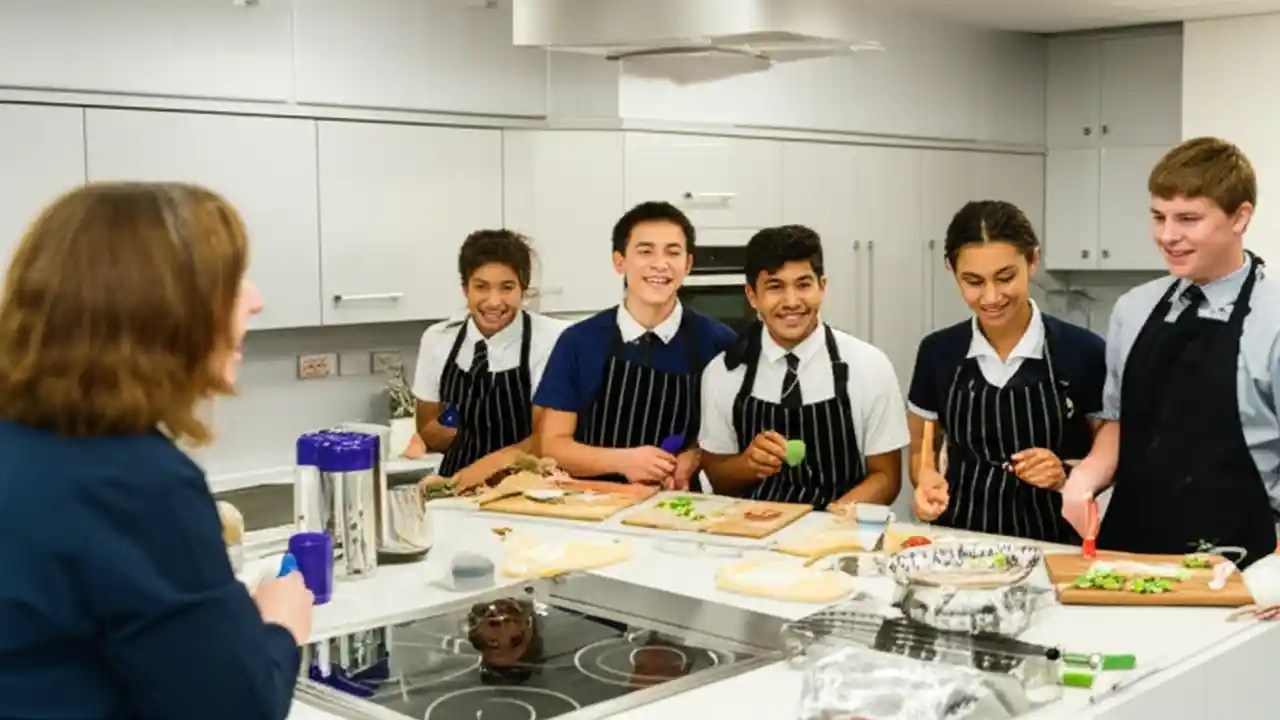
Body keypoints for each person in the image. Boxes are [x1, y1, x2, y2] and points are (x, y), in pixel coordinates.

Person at [0, 183, 312, 719]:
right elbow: (235, 710)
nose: (255, 299)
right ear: (165, 309)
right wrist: (281, 624)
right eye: (230, 280)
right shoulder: (138, 485)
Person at [1062, 137, 1280, 567]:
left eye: (1189, 219)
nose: (1168, 236)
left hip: (1241, 562)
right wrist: (1084, 478)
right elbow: (1119, 422)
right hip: (1130, 551)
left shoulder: (1273, 320)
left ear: (1240, 217)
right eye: (1159, 217)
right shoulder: (1134, 309)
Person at [908, 200, 1106, 543]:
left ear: (1033, 261)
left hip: (1055, 549)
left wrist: (1066, 474)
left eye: (1005, 278)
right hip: (958, 543)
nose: (991, 297)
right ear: (951, 270)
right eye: (973, 281)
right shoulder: (937, 352)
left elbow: (1113, 455)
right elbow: (920, 450)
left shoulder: (1083, 352)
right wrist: (925, 479)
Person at [698, 225, 909, 511]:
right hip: (754, 530)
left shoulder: (870, 367)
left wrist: (831, 520)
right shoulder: (723, 373)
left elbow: (887, 477)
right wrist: (747, 465)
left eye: (803, 284)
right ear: (752, 295)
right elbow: (717, 477)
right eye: (775, 287)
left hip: (840, 529)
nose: (792, 302)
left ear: (822, 287)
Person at [534, 201, 736, 489]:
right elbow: (553, 447)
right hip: (591, 502)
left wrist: (695, 456)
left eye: (673, 252)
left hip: (676, 503)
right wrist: (624, 461)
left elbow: (728, 443)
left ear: (688, 264)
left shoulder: (718, 342)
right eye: (645, 251)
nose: (660, 264)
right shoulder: (579, 341)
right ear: (620, 261)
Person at [412, 230, 568, 491]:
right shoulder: (438, 339)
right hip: (453, 491)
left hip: (524, 490)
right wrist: (456, 424)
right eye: (481, 287)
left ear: (523, 290)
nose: (494, 302)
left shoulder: (553, 340)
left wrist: (478, 472)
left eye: (507, 287)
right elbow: (428, 432)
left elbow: (544, 438)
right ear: (465, 288)